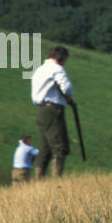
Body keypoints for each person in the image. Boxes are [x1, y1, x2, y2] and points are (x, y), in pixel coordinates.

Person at [30, 45, 75, 178]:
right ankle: (56, 181)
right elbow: (67, 88)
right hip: (53, 110)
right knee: (59, 147)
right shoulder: (57, 69)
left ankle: (38, 180)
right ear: (62, 58)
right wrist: (69, 97)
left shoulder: (39, 70)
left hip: (42, 111)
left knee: (44, 149)